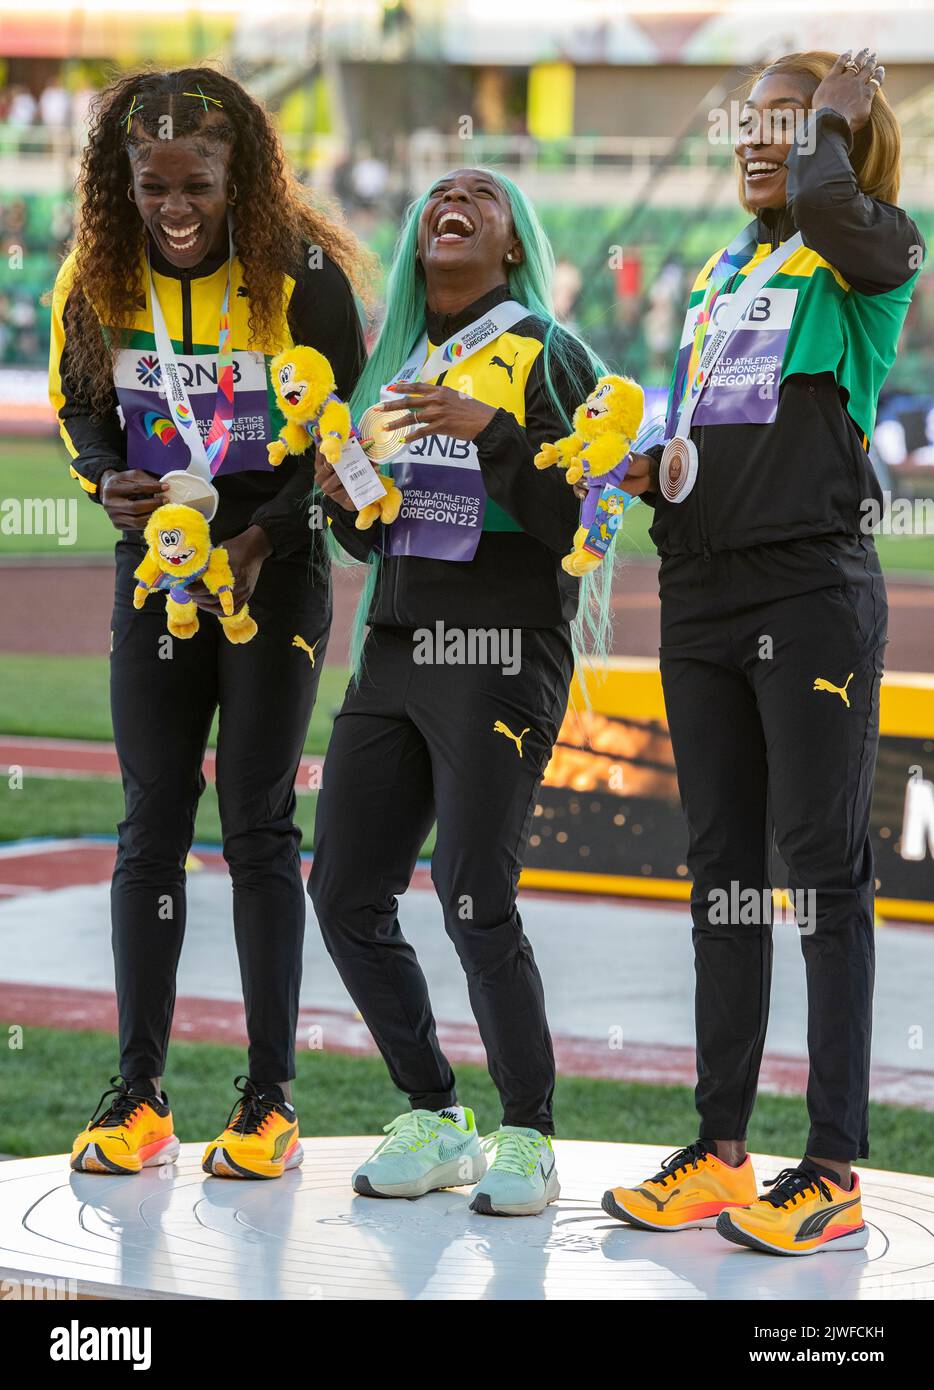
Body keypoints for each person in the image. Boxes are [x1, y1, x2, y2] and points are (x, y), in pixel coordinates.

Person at [602, 50, 924, 1254]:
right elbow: (717, 437)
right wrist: (657, 470)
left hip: (809, 591)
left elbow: (839, 205)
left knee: (821, 872)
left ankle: (831, 1166)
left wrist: (830, 130)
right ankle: (721, 1151)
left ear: (840, 135)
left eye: (789, 122)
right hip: (701, 593)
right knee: (722, 870)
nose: (758, 139)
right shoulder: (722, 273)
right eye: (751, 120)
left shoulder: (869, 247)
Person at [49, 67, 372, 1179]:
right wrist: (105, 482)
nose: (174, 208)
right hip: (160, 571)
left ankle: (269, 1101)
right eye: (152, 186)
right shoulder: (95, 275)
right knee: (149, 823)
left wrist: (268, 533)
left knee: (256, 824)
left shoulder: (304, 274)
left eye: (197, 185)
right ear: (121, 180)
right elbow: (79, 407)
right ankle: (137, 1095)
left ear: (244, 177)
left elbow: (338, 434)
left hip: (271, 572)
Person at [309, 167, 612, 1216]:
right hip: (393, 649)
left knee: (473, 895)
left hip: (501, 643)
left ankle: (529, 1130)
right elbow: (365, 532)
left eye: (479, 195)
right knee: (343, 890)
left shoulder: (547, 348)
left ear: (512, 241)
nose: (453, 201)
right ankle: (436, 1113)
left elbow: (583, 522)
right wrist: (340, 483)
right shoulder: (395, 360)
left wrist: (490, 430)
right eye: (438, 192)